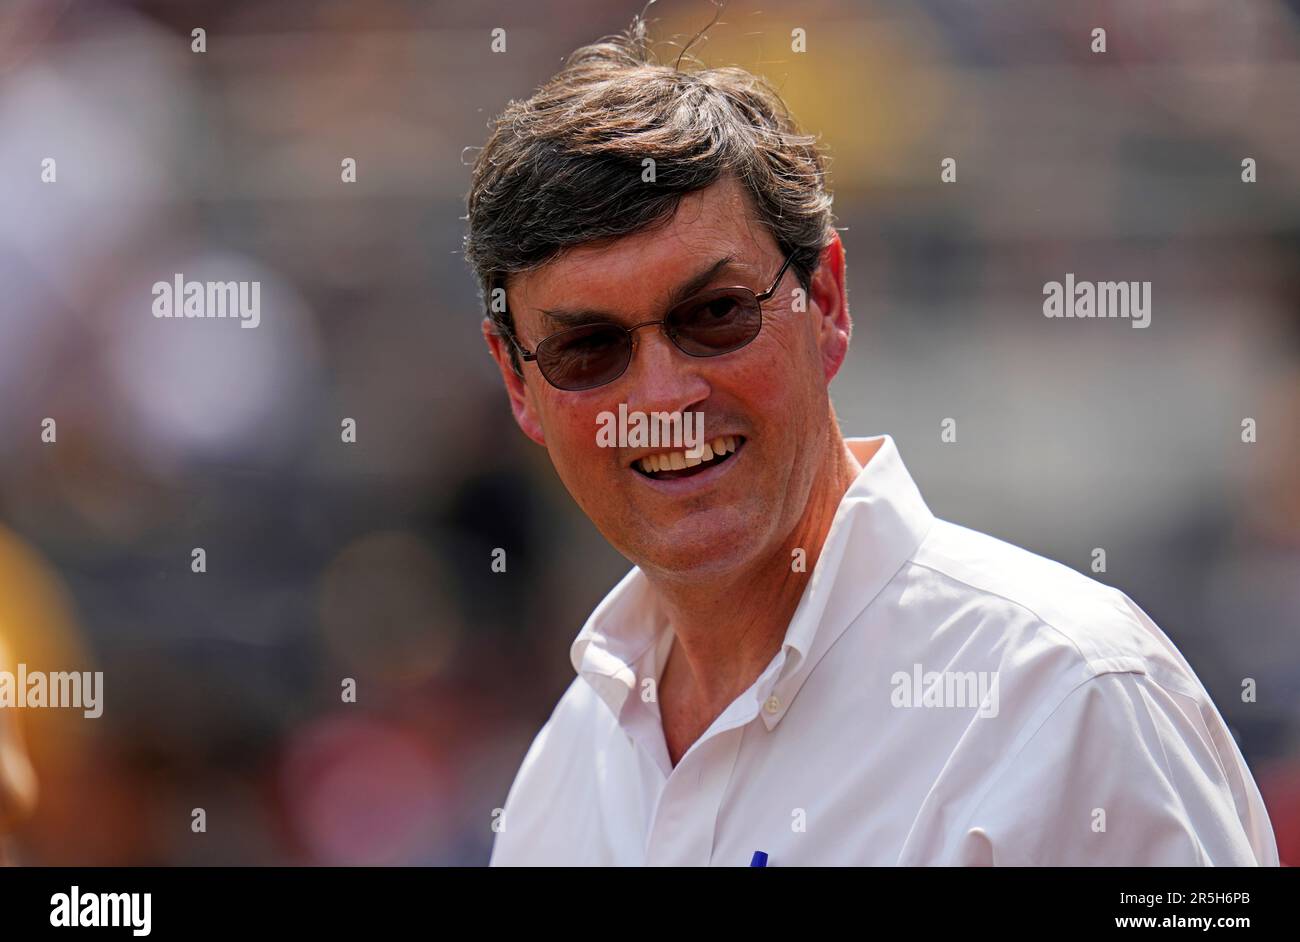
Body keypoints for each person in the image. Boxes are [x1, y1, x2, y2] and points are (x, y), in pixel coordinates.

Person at [463, 16, 1279, 865]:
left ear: (826, 305)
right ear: (519, 382)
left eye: (716, 315)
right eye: (588, 350)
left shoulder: (1070, 699)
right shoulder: (564, 775)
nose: (663, 398)